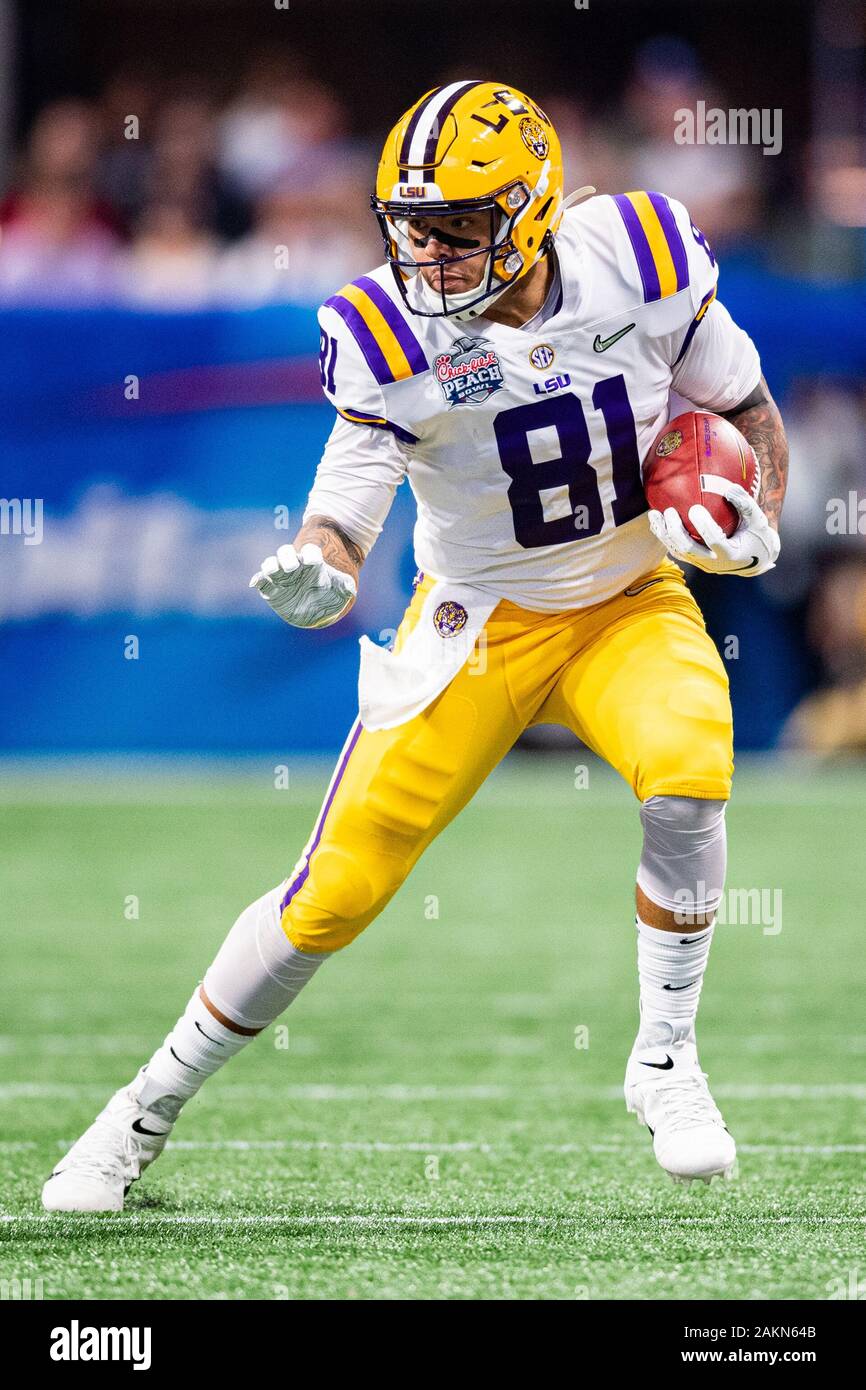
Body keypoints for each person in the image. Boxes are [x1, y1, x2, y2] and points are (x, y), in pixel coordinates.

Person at [43, 80, 788, 1211]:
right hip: (476, 614)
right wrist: (322, 566)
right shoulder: (387, 330)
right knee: (331, 896)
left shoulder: (641, 255)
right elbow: (345, 502)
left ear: (531, 212)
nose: (428, 253)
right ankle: (137, 1113)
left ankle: (663, 1058)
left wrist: (761, 522)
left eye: (457, 228)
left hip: (625, 595)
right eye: (411, 226)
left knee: (687, 773)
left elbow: (749, 413)